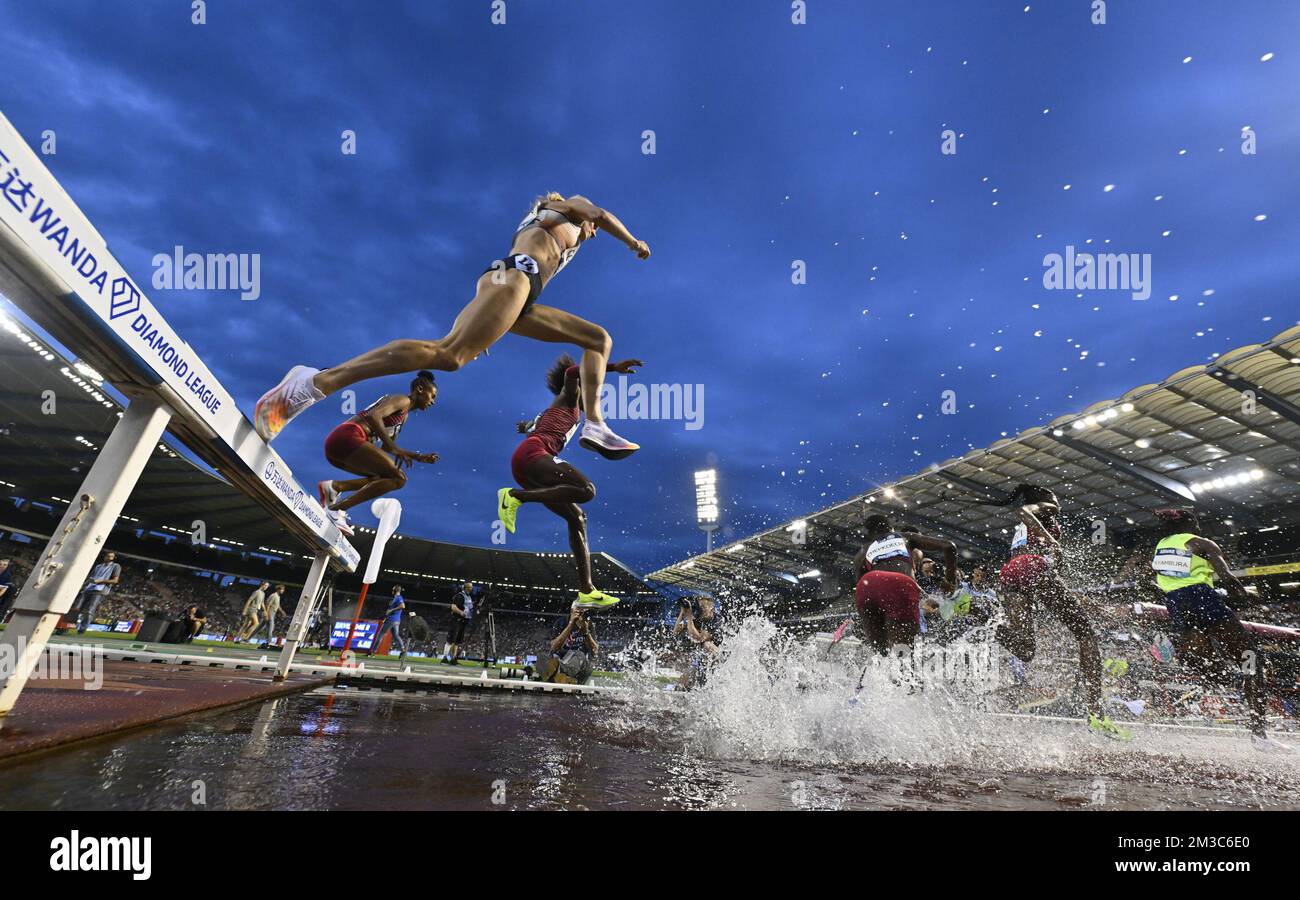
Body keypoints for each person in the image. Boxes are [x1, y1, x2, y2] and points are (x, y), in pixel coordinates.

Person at [254, 193, 651, 461]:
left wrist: (494, 323)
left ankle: (595, 424)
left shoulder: (560, 236)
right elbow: (599, 214)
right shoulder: (567, 208)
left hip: (520, 292)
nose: (592, 232)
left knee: (597, 339)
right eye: (591, 227)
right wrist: (632, 241)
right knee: (447, 355)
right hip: (515, 277)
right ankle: (313, 384)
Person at [495, 354, 644, 609]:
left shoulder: (558, 408)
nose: (594, 400)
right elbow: (573, 372)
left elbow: (535, 424)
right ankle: (514, 496)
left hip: (529, 466)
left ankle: (586, 590)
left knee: (578, 518)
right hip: (533, 455)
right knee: (586, 490)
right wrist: (612, 367)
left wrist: (526, 426)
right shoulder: (570, 395)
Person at [1149, 508, 1289, 751]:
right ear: (1189, 523)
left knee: (1212, 667)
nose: (1199, 526)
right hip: (1201, 598)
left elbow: (1161, 579)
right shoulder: (1201, 543)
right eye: (1197, 522)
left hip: (1175, 604)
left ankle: (1220, 672)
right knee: (1252, 660)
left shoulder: (1160, 546)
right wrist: (1248, 597)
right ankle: (1259, 734)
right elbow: (1227, 577)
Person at [989, 484, 1122, 739]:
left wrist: (1085, 601)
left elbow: (1053, 584)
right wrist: (1052, 542)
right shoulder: (1047, 508)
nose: (1058, 501)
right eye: (1054, 496)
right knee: (1086, 634)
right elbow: (1022, 510)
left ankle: (985, 621)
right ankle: (1096, 712)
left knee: (1025, 649)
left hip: (1010, 572)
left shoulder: (1026, 530)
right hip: (1031, 566)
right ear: (1046, 497)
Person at [318, 371, 439, 536]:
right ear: (420, 389)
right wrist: (396, 449)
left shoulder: (404, 417)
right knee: (399, 478)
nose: (433, 401)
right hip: (348, 436)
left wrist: (418, 457)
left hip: (342, 447)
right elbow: (373, 415)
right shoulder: (402, 400)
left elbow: (386, 448)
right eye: (432, 396)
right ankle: (336, 509)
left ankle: (335, 487)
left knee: (384, 477)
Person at [852, 515, 956, 654]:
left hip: (867, 585)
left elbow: (874, 583)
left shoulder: (863, 551)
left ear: (870, 534)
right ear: (891, 528)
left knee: (881, 653)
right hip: (900, 585)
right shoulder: (904, 536)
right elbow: (949, 546)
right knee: (903, 653)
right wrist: (950, 582)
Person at [540, 605, 599, 685]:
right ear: (572, 610)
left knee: (579, 655)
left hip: (580, 665)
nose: (581, 611)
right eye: (578, 608)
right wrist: (570, 625)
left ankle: (562, 676)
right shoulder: (561, 622)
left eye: (583, 609)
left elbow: (594, 651)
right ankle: (560, 675)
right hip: (562, 659)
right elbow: (554, 647)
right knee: (545, 657)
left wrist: (586, 633)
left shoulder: (589, 624)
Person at [674, 595, 724, 689]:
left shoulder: (717, 620)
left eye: (703, 608)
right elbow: (676, 632)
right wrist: (683, 612)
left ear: (712, 609)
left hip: (721, 661)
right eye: (698, 607)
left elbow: (698, 638)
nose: (699, 610)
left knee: (707, 645)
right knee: (681, 684)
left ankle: (714, 681)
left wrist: (689, 616)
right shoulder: (698, 619)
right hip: (703, 662)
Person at [74, 551, 121, 634]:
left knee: (90, 609)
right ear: (105, 557)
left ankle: (82, 629)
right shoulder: (98, 566)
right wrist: (83, 585)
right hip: (89, 588)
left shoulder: (115, 566)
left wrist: (101, 581)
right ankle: (72, 624)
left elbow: (115, 580)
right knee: (77, 607)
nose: (110, 558)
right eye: (108, 556)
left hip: (100, 590)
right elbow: (91, 577)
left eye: (111, 556)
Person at [369, 584, 407, 659]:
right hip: (396, 621)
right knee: (396, 636)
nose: (392, 591)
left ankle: (373, 653)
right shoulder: (396, 598)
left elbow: (403, 606)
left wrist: (392, 610)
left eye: (393, 590)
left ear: (395, 590)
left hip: (391, 620)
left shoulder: (398, 597)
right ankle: (403, 650)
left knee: (380, 635)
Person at [443, 582, 474, 663]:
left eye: (471, 587)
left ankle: (453, 659)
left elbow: (468, 607)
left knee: (457, 641)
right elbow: (453, 607)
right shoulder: (460, 596)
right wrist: (461, 612)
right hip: (457, 620)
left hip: (464, 621)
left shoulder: (469, 597)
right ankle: (444, 658)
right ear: (466, 588)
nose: (472, 588)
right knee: (450, 639)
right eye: (470, 587)